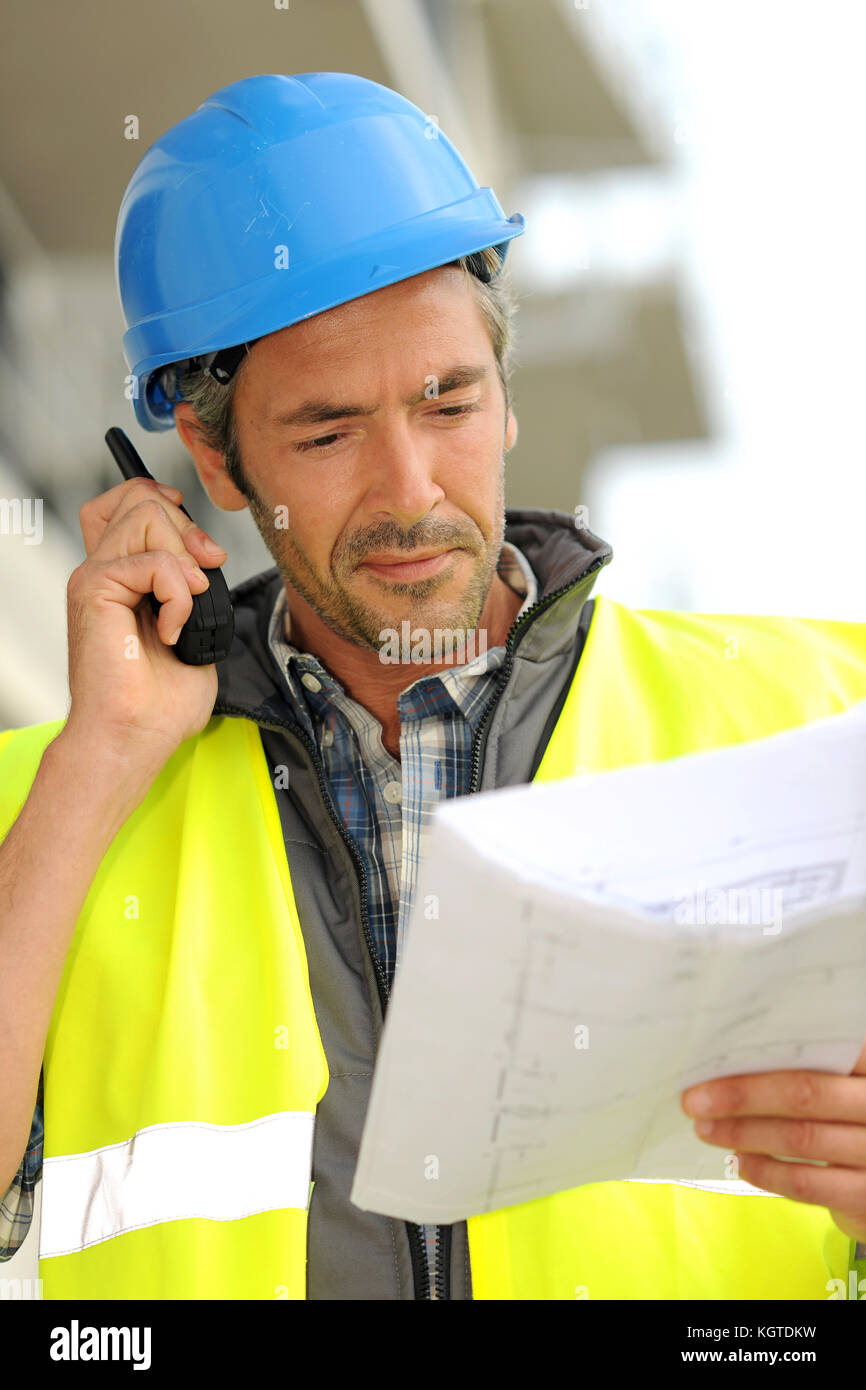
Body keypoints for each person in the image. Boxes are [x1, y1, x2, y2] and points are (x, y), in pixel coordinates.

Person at [2, 72, 866, 1301]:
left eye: (447, 400)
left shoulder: (827, 721)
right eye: (327, 432)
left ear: (505, 396)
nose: (409, 489)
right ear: (212, 457)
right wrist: (101, 760)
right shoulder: (48, 808)